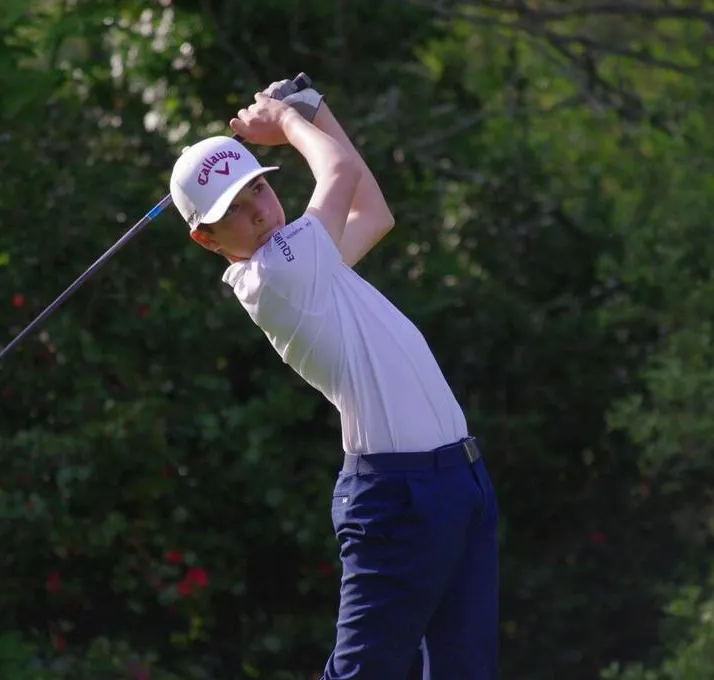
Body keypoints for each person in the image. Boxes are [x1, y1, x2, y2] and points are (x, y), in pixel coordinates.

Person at [168, 81, 499, 679]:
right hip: (398, 496)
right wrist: (285, 123)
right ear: (207, 239)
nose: (261, 212)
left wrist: (314, 109)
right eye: (234, 211)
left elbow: (372, 210)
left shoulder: (310, 261)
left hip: (458, 478)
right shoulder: (275, 274)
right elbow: (339, 169)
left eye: (260, 188)